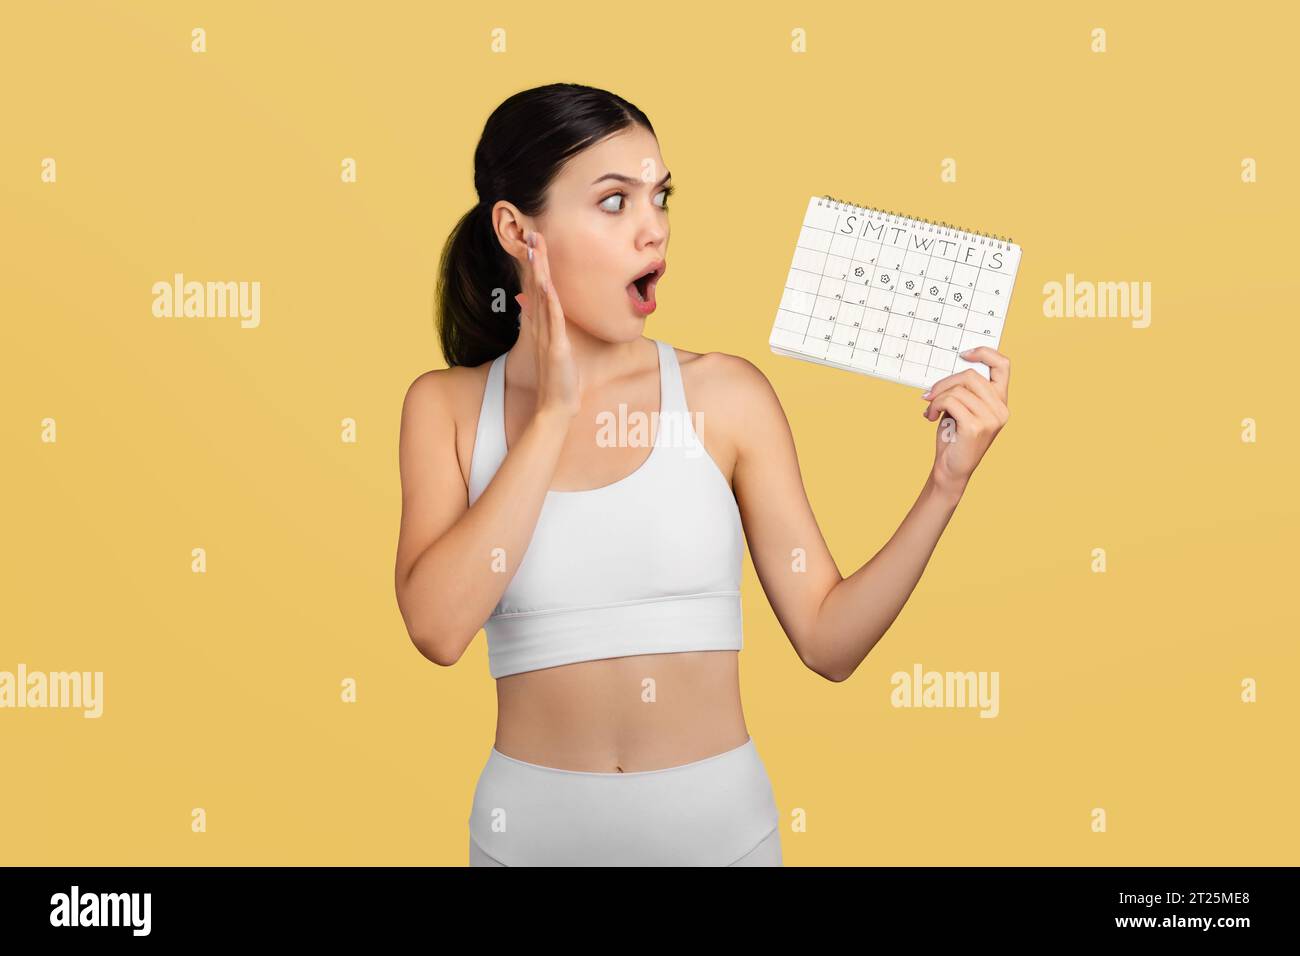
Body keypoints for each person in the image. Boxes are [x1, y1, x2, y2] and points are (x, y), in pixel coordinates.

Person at [394, 83, 1012, 866]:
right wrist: (551, 414)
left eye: (660, 197)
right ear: (519, 230)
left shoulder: (726, 397)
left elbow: (830, 642)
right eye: (614, 203)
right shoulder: (445, 409)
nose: (653, 230)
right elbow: (438, 629)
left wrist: (944, 486)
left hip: (723, 841)